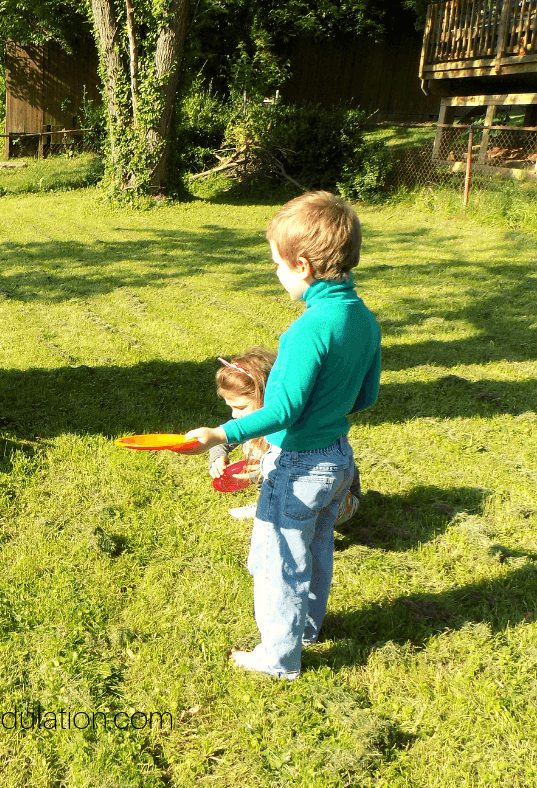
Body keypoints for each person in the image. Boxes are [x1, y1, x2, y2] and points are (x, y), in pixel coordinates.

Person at [182, 191, 381, 680]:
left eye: (276, 265)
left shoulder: (306, 331)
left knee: (277, 563)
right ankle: (306, 629)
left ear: (303, 264)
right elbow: (366, 395)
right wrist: (328, 410)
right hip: (338, 458)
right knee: (315, 550)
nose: (275, 273)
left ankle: (277, 656)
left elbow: (283, 408)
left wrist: (221, 433)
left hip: (297, 466)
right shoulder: (363, 320)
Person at [209, 349, 362, 525]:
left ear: (269, 399)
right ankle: (269, 505)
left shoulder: (297, 428)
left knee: (296, 517)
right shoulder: (252, 422)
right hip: (291, 492)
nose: (235, 415)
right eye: (231, 407)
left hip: (337, 500)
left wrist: (260, 473)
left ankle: (282, 512)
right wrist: (218, 456)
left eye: (241, 407)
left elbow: (309, 474)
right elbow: (220, 439)